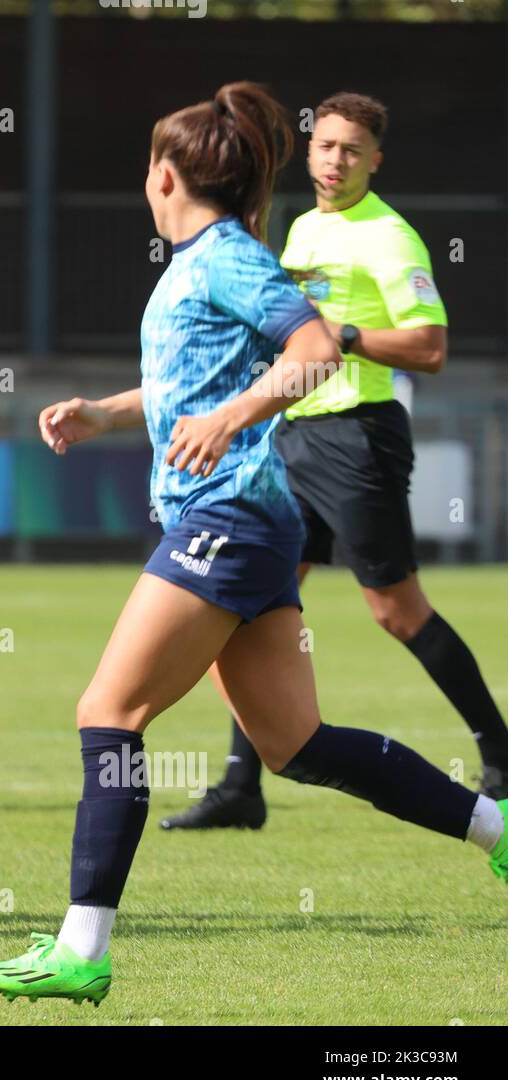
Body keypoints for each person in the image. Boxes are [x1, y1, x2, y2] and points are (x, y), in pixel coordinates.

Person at [0, 82, 508, 1006]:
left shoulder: (223, 256)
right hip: (248, 522)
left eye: (146, 164)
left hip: (228, 518)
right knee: (298, 744)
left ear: (164, 174)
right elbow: (191, 381)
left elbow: (316, 349)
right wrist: (105, 412)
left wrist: (239, 412)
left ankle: (82, 946)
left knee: (109, 712)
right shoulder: (197, 263)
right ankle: (498, 830)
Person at [164, 91, 508, 832]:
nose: (334, 159)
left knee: (395, 608)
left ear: (374, 161)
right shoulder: (300, 232)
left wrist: (341, 333)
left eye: (352, 150)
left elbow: (430, 347)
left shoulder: (390, 237)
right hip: (293, 439)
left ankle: (500, 752)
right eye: (325, 146)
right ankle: (240, 785)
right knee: (253, 601)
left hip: (357, 437)